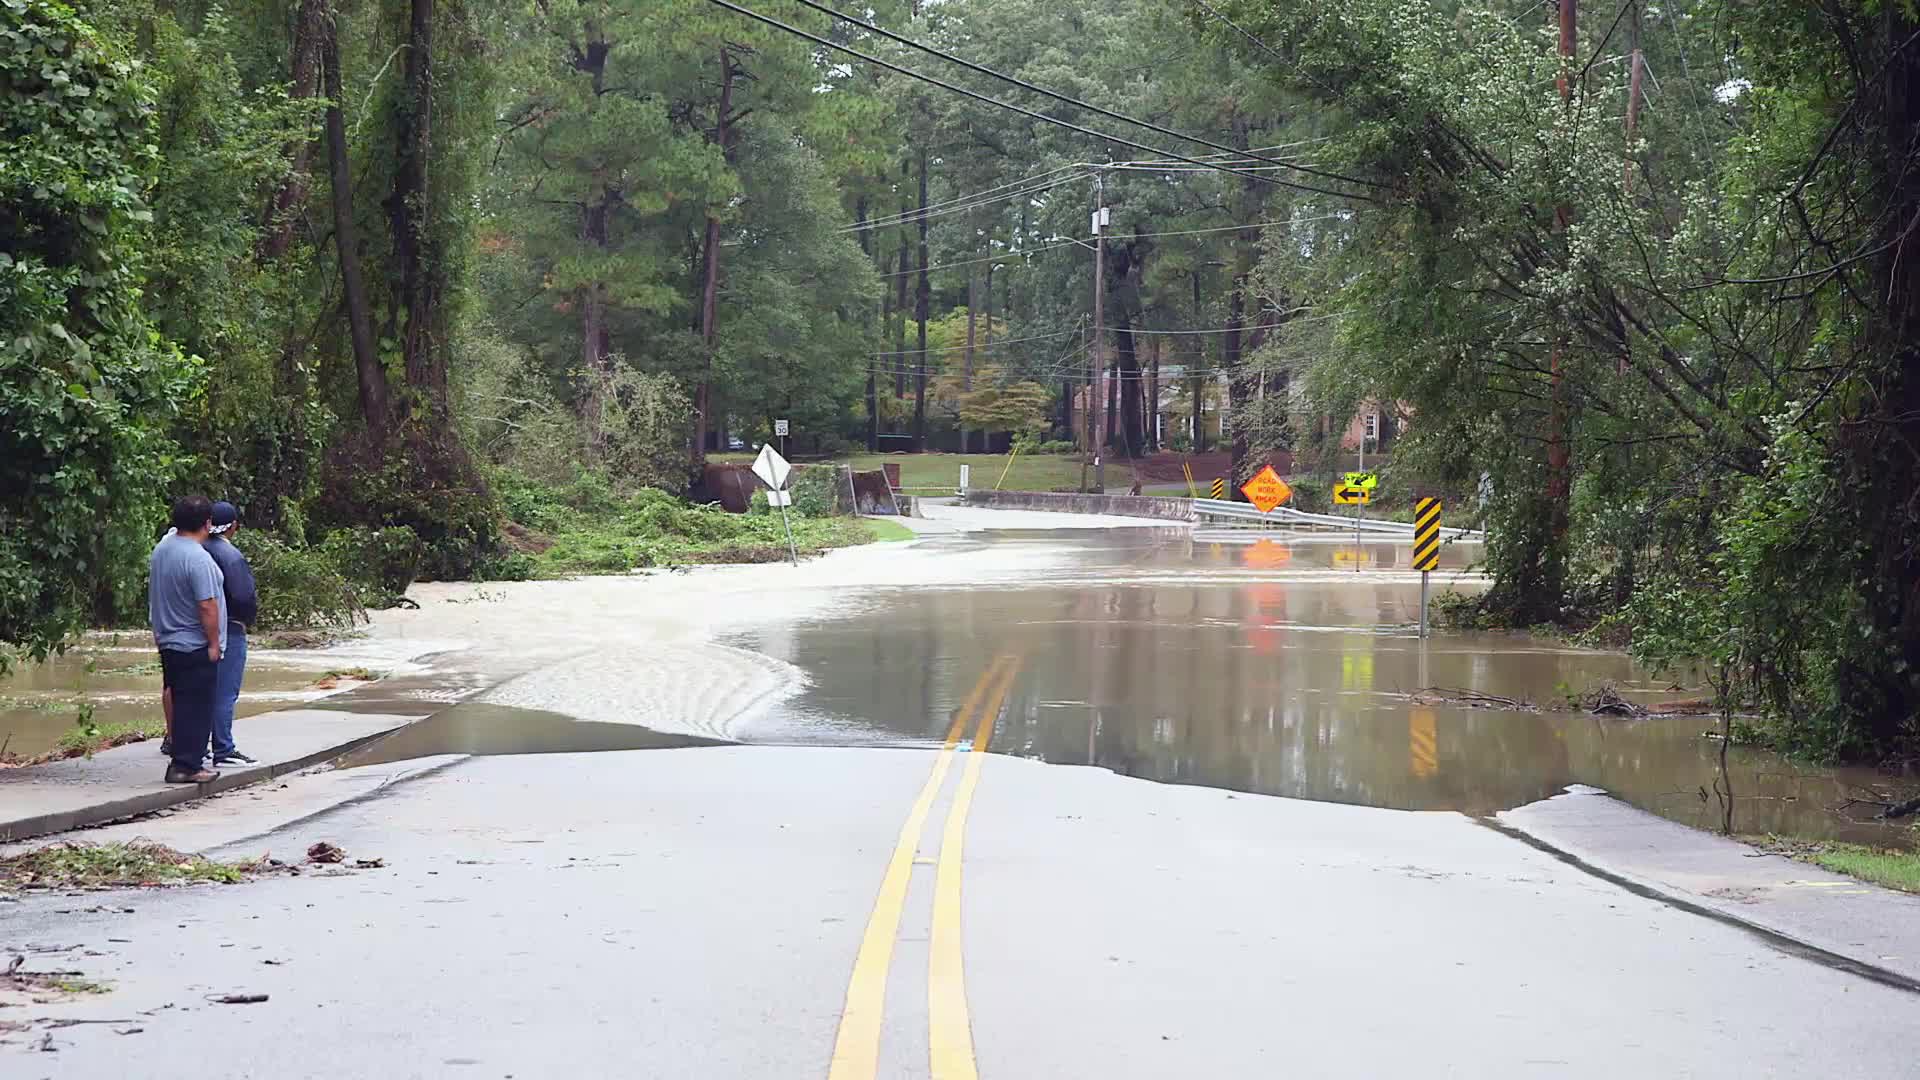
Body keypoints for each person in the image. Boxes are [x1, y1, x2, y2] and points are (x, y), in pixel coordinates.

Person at [149, 496, 226, 784]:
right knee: (196, 706)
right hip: (194, 644)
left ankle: (180, 761)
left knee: (180, 702)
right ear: (207, 523)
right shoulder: (197, 558)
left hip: (168, 640)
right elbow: (207, 605)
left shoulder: (163, 548)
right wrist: (214, 644)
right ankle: (187, 766)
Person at [204, 501, 259, 766]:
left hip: (199, 627)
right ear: (234, 526)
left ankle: (196, 745)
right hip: (230, 627)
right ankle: (224, 748)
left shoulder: (197, 549)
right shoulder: (230, 555)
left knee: (200, 690)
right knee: (225, 692)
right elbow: (243, 596)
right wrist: (248, 620)